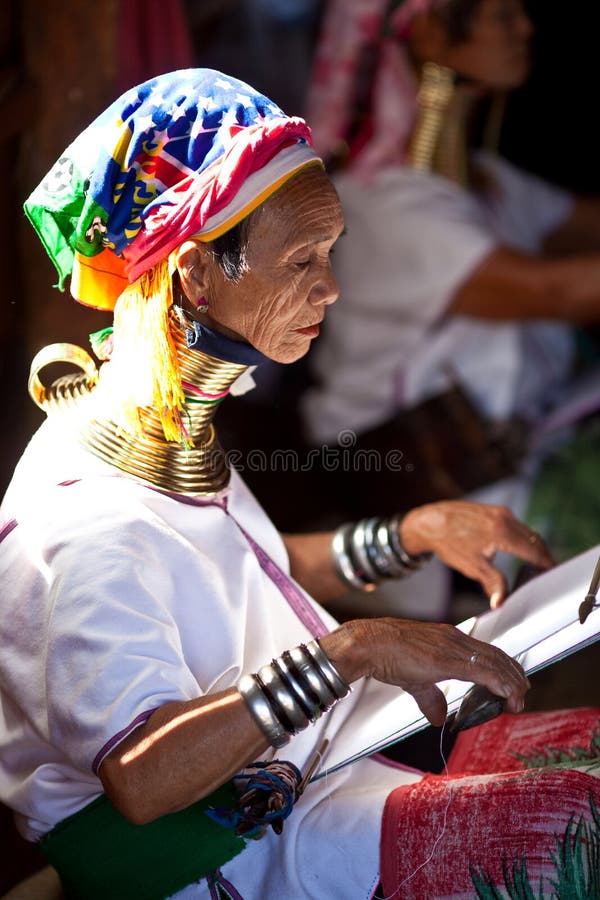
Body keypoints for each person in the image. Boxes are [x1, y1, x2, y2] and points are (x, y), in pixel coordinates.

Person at [0, 68, 597, 899]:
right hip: (225, 851)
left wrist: (410, 534)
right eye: (301, 260)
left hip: (314, 772)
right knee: (579, 833)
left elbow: (250, 571)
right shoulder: (85, 524)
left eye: (330, 251)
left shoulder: (164, 428)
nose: (331, 286)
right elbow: (141, 778)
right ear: (195, 279)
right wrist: (351, 650)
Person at [301, 0, 600, 549]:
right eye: (503, 16)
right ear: (432, 34)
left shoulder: (486, 182)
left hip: (530, 458)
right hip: (452, 505)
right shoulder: (382, 205)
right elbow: (554, 291)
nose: (527, 27)